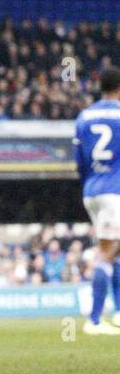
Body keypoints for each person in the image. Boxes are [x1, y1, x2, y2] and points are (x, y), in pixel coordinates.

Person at [74, 67, 120, 335]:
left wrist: (88, 184)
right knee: (106, 252)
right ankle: (93, 320)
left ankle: (118, 312)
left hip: (92, 189)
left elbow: (79, 160)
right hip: (114, 190)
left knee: (115, 249)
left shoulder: (84, 115)